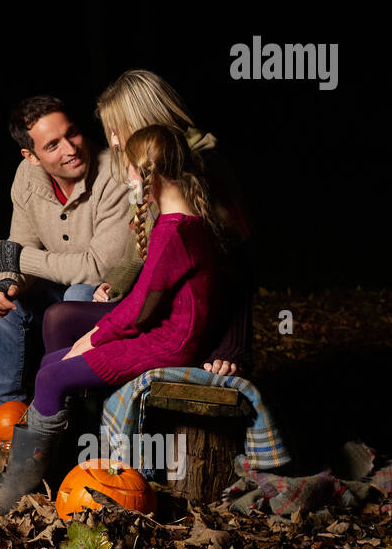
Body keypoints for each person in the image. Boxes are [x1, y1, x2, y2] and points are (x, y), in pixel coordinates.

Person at [0, 125, 230, 515]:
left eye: (130, 170)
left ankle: (12, 495)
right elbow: (141, 298)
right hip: (165, 333)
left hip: (171, 343)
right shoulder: (179, 221)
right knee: (53, 363)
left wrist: (96, 336)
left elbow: (141, 308)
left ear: (147, 172)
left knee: (53, 374)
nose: (127, 178)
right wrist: (97, 334)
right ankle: (49, 471)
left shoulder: (175, 231)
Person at [41, 69, 252, 377]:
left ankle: (81, 406)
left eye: (116, 128)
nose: (112, 139)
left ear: (142, 119)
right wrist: (115, 283)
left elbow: (237, 261)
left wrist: (233, 345)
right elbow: (141, 240)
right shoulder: (140, 167)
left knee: (63, 318)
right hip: (152, 300)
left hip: (185, 320)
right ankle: (80, 409)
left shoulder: (201, 168)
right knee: (75, 301)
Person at [0, 95, 134, 446]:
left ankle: (68, 422)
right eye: (52, 145)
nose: (70, 149)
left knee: (77, 297)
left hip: (107, 291)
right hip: (51, 283)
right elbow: (24, 242)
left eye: (73, 134)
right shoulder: (26, 177)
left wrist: (12, 258)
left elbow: (96, 267)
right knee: (5, 307)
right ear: (32, 157)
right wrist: (6, 283)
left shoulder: (114, 174)